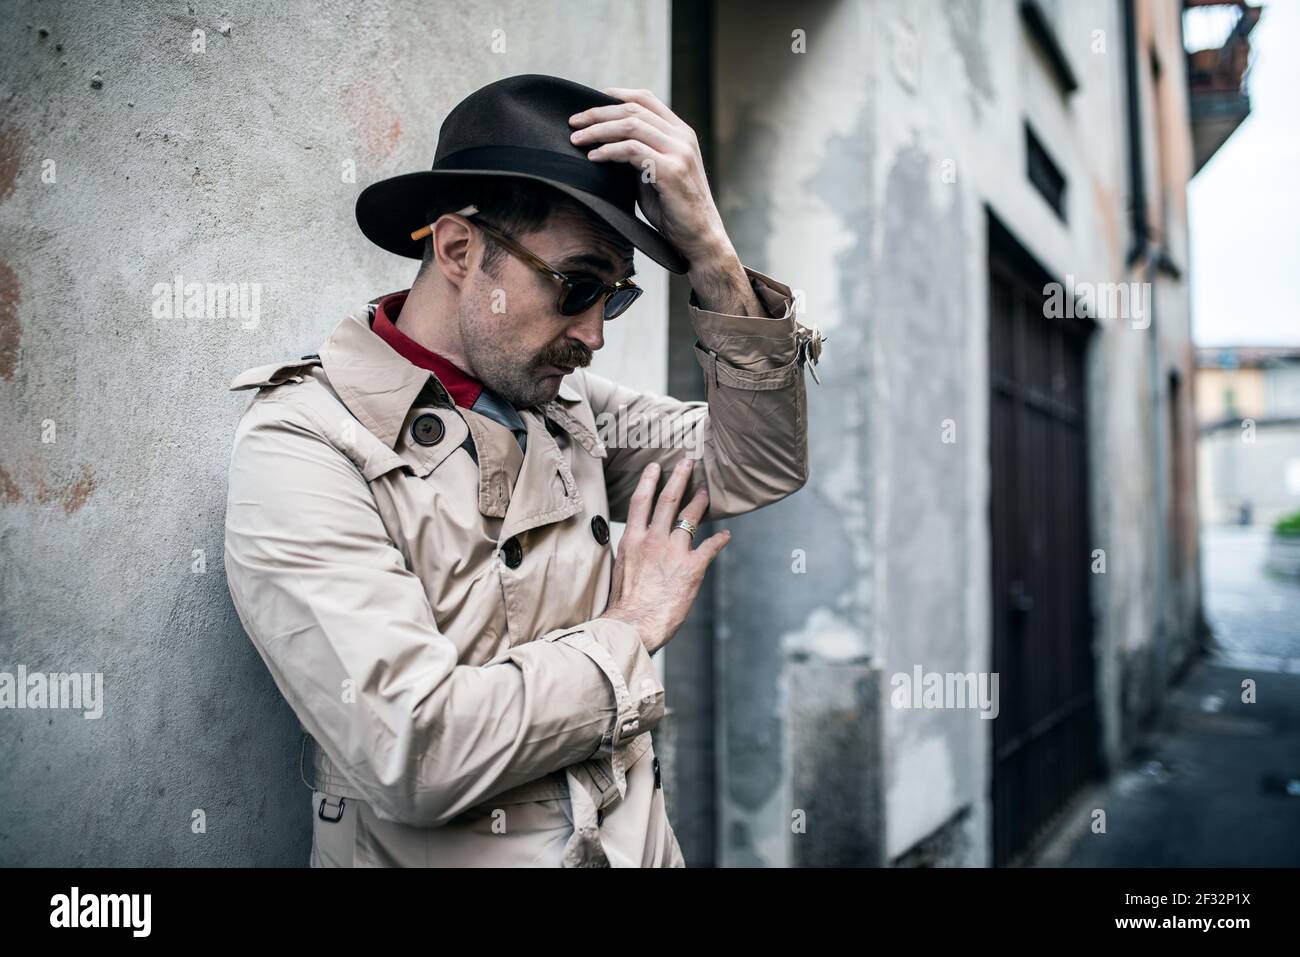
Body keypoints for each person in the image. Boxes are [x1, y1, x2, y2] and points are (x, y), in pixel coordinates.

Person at [223, 74, 825, 867]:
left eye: (613, 300)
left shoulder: (573, 408)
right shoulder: (307, 442)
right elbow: (414, 751)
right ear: (458, 249)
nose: (594, 334)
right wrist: (630, 627)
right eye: (577, 286)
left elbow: (757, 463)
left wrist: (713, 249)